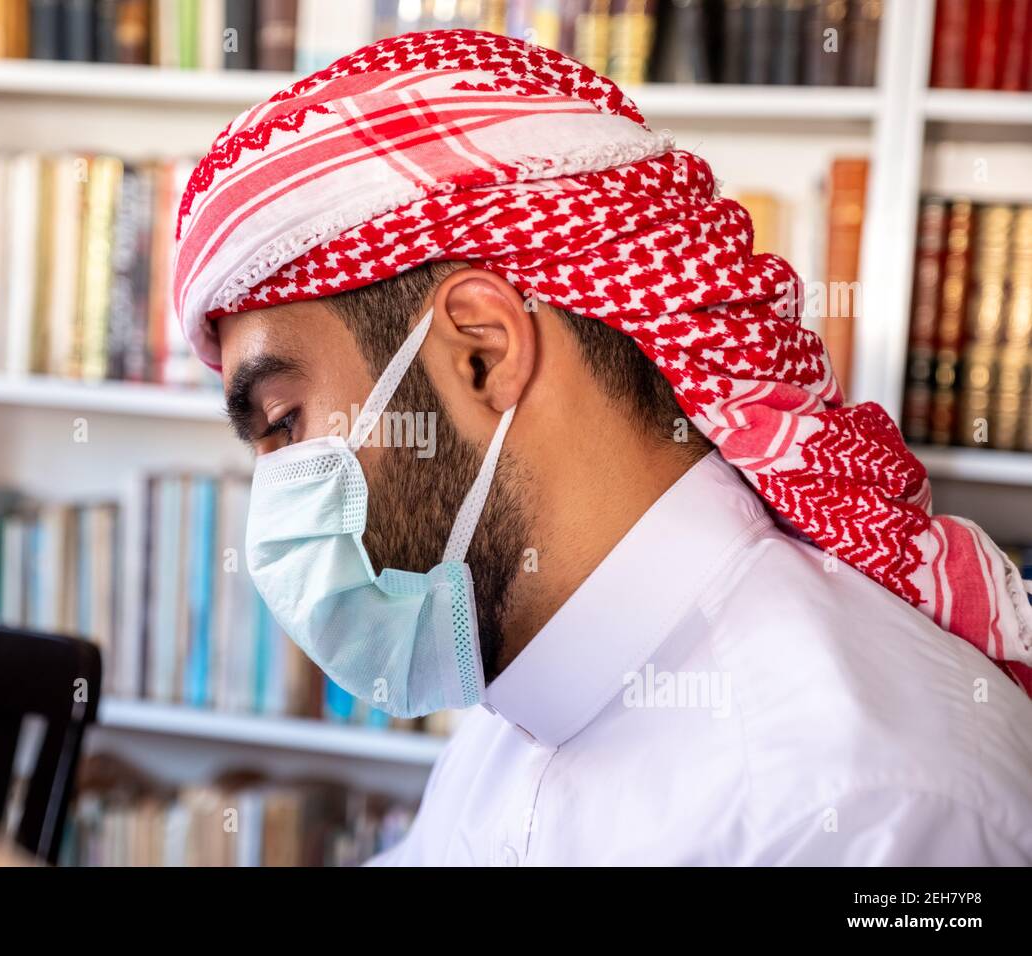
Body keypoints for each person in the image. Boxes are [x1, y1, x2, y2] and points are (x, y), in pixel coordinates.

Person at [173, 30, 1032, 865]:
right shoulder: (521, 689)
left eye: (285, 421)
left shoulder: (864, 806)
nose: (271, 499)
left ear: (483, 352)